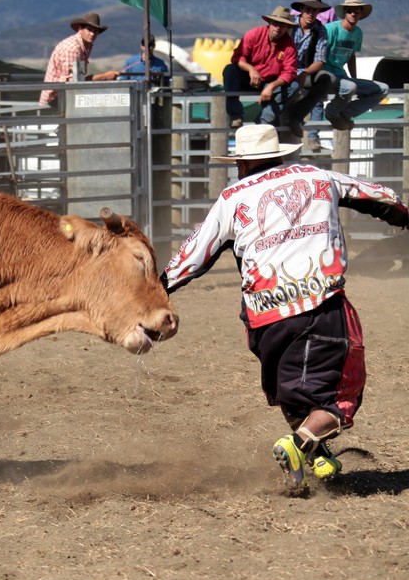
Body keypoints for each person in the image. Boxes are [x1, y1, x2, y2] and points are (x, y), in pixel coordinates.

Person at [160, 124, 408, 491]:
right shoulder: (317, 176)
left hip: (263, 320)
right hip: (318, 305)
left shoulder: (231, 198)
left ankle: (316, 458)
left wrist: (158, 286)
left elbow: (192, 255)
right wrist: (402, 216)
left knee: (297, 393)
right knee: (340, 397)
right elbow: (380, 196)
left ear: (242, 163)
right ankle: (298, 444)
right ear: (279, 154)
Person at [222, 7, 298, 129]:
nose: (278, 27)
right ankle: (236, 115)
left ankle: (263, 119)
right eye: (276, 23)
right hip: (247, 78)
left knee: (294, 85)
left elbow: (289, 72)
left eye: (283, 25)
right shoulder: (254, 34)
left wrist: (271, 86)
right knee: (230, 70)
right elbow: (238, 57)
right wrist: (250, 69)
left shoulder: (289, 46)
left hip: (270, 82)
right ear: (270, 23)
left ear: (287, 28)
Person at [322, 0, 389, 131]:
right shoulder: (331, 29)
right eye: (350, 11)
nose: (353, 14)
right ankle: (332, 111)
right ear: (344, 12)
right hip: (326, 74)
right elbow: (319, 54)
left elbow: (352, 56)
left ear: (360, 14)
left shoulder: (358, 33)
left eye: (356, 11)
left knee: (382, 89)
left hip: (342, 76)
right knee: (349, 87)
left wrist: (354, 78)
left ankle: (345, 112)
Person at [284, 0, 335, 144]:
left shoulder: (320, 30)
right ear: (301, 10)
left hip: (305, 71)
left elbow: (320, 60)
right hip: (285, 70)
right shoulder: (288, 25)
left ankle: (296, 115)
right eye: (308, 9)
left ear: (319, 12)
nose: (311, 13)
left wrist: (304, 73)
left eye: (314, 10)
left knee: (326, 79)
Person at [39, 12, 120, 107]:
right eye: (89, 29)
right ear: (80, 29)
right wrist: (104, 77)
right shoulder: (73, 48)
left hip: (64, 97)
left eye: (95, 31)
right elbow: (72, 81)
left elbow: (77, 79)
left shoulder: (84, 45)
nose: (92, 34)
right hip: (55, 100)